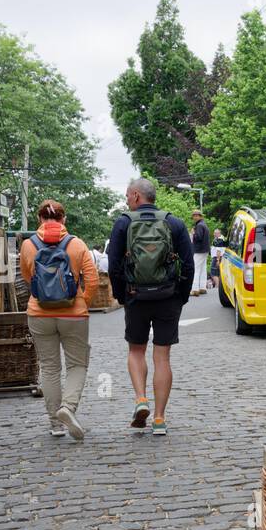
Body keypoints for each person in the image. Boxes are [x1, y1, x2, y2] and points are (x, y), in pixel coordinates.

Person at [106, 178, 194, 435]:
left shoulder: (123, 223)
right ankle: (159, 419)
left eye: (127, 195)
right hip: (168, 297)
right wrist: (181, 296)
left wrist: (122, 296)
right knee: (162, 357)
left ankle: (141, 399)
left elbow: (113, 265)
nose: (126, 200)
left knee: (136, 350)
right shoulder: (174, 223)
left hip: (136, 296)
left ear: (136, 196)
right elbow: (188, 265)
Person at [20, 200, 98, 440]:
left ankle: (55, 423)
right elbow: (92, 280)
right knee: (77, 365)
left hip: (39, 313)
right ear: (63, 219)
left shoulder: (28, 245)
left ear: (40, 219)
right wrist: (82, 302)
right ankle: (68, 408)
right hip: (73, 314)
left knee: (49, 367)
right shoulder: (77, 244)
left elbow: (27, 277)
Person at [190, 209, 210, 296]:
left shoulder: (199, 226)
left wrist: (193, 233)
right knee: (203, 269)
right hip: (205, 250)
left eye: (196, 215)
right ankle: (202, 287)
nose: (195, 217)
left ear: (200, 216)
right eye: (194, 216)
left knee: (196, 269)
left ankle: (195, 289)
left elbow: (198, 237)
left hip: (199, 250)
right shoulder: (204, 224)